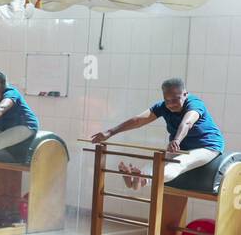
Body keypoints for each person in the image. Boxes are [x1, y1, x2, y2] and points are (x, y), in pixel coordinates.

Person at [90, 77, 224, 188]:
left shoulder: (194, 104)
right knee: (158, 162)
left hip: (207, 147)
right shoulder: (162, 106)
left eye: (176, 99)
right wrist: (109, 132)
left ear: (185, 94)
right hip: (181, 146)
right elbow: (138, 120)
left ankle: (141, 180)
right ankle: (137, 180)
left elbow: (187, 123)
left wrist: (176, 140)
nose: (171, 104)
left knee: (180, 162)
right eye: (167, 100)